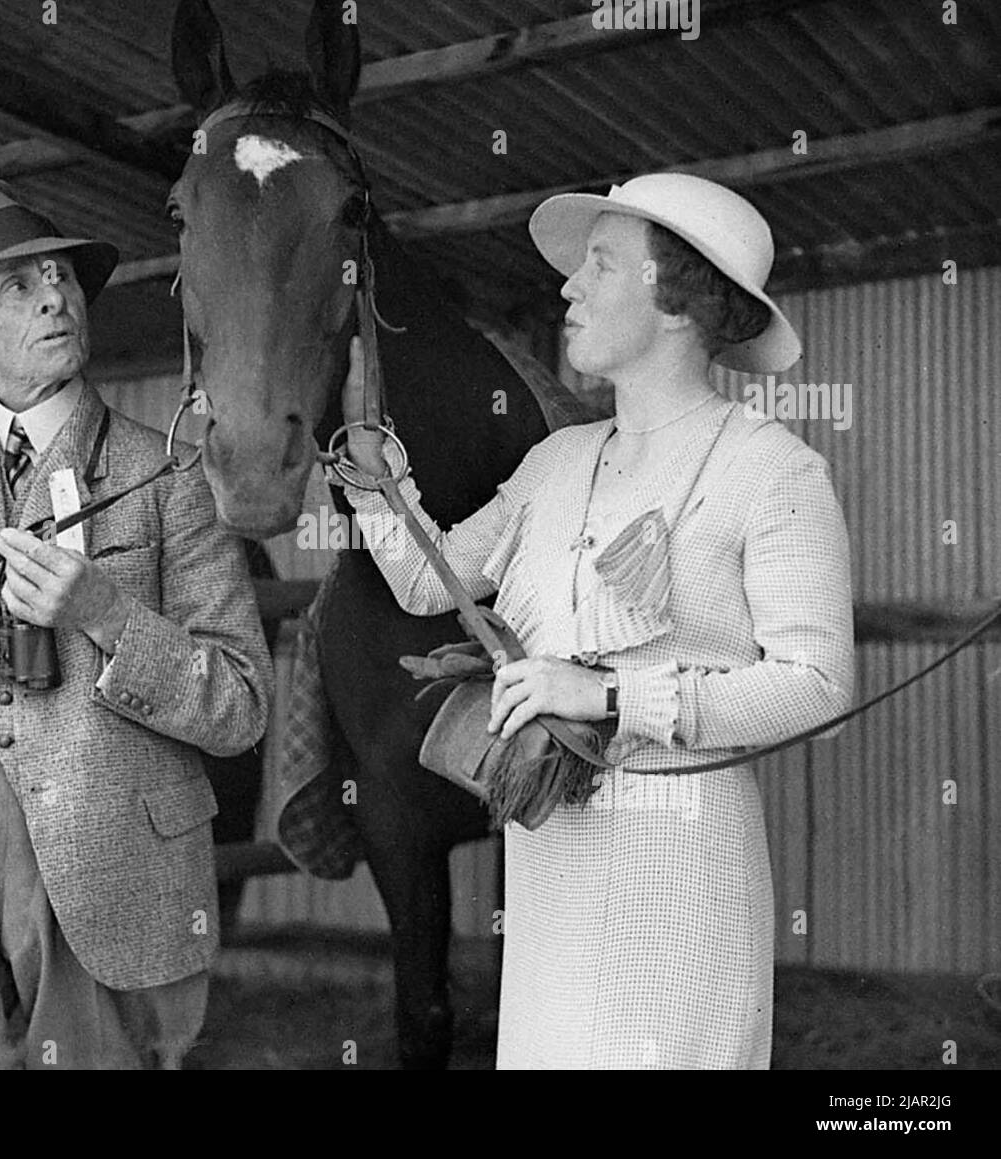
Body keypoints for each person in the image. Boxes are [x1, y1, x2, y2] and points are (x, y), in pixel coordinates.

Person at [340, 172, 854, 1069]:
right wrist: (373, 476)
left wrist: (614, 695)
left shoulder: (774, 470)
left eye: (601, 265)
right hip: (554, 867)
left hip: (685, 880)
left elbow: (817, 685)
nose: (568, 287)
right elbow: (433, 585)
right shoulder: (555, 462)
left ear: (677, 300)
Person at [0, 178, 273, 1069]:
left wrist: (105, 613)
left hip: (109, 861)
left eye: (59, 277)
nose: (54, 297)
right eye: (17, 286)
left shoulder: (172, 473)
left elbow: (242, 702)